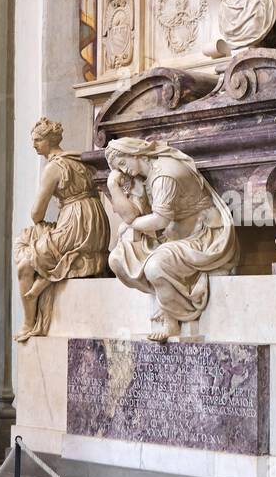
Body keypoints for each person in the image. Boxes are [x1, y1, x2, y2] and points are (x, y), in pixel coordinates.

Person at [105, 137, 238, 342]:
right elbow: (131, 216)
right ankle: (168, 296)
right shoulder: (142, 176)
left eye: (123, 163)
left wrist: (132, 225)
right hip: (170, 238)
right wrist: (112, 185)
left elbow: (158, 220)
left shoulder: (165, 175)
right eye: (118, 168)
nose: (123, 170)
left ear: (134, 152)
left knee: (155, 266)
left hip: (203, 237)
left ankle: (172, 317)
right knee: (117, 259)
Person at [14, 118, 110, 342]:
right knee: (39, 245)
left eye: (38, 140)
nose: (34, 145)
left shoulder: (54, 167)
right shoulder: (79, 159)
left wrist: (44, 223)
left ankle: (28, 322)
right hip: (96, 221)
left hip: (76, 224)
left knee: (25, 263)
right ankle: (42, 284)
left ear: (49, 140)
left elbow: (36, 213)